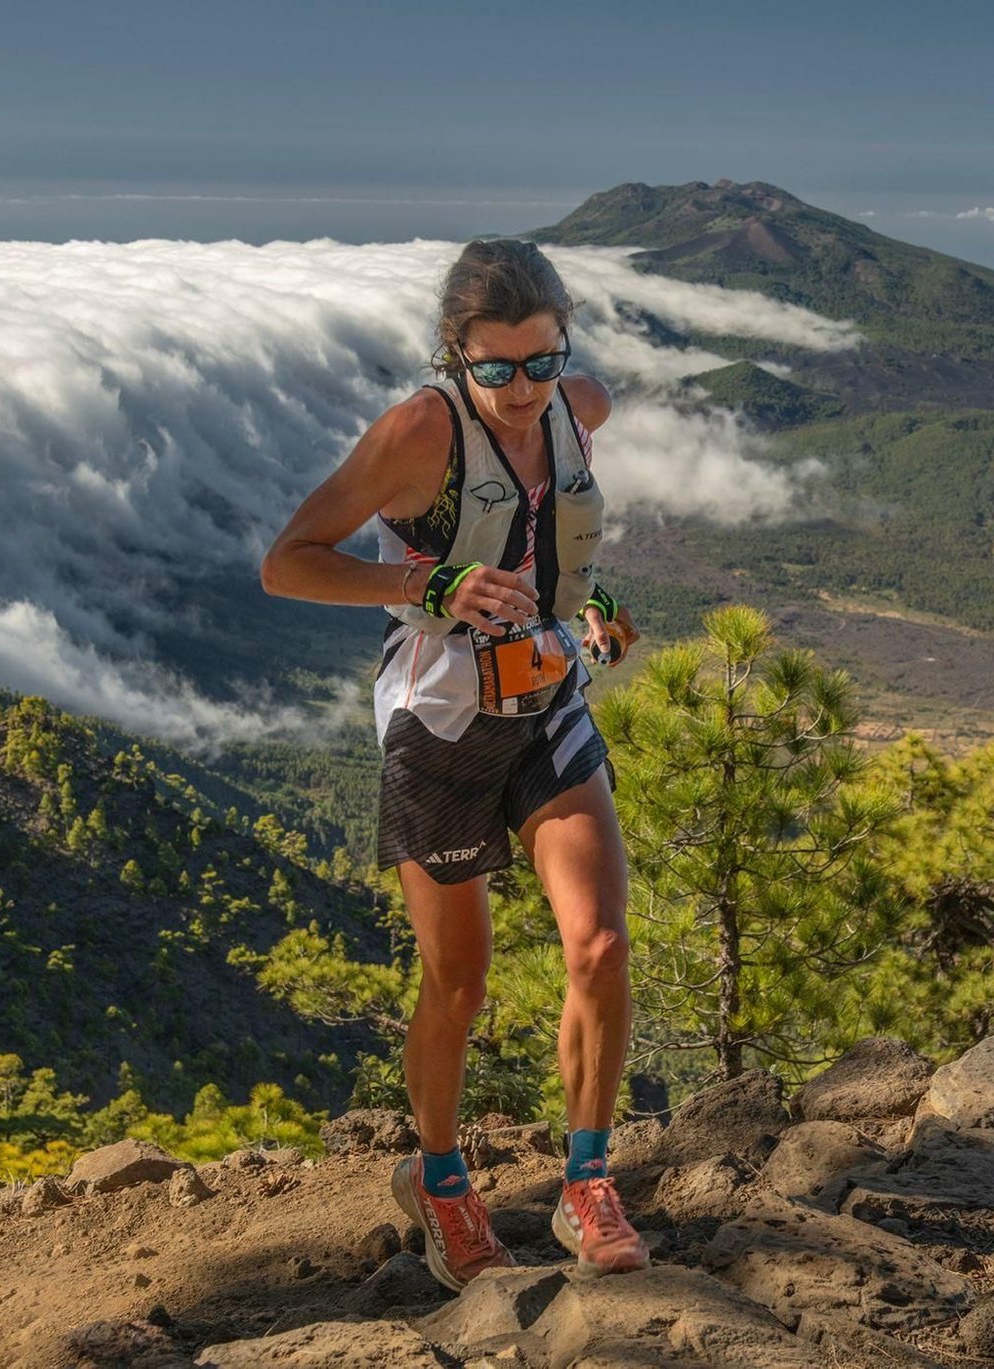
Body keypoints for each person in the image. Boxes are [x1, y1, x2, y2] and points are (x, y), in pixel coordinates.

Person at [260, 238, 646, 1290]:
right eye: (495, 369)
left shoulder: (580, 406)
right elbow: (286, 562)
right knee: (458, 981)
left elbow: (553, 548)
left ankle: (585, 1182)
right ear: (452, 358)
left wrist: (592, 609)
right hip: (438, 726)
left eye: (541, 361)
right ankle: (437, 1183)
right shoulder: (417, 434)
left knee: (600, 946)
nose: (523, 390)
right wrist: (431, 587)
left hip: (546, 704)